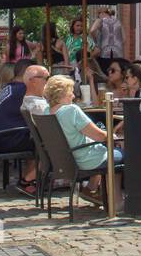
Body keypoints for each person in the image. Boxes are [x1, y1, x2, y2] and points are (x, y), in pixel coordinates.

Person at [45, 75, 121, 207]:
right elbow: (100, 136)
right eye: (71, 92)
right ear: (62, 93)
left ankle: (91, 189)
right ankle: (116, 202)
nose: (74, 96)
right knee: (120, 155)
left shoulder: (47, 112)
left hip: (67, 160)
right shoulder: (71, 110)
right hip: (85, 159)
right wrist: (113, 136)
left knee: (107, 150)